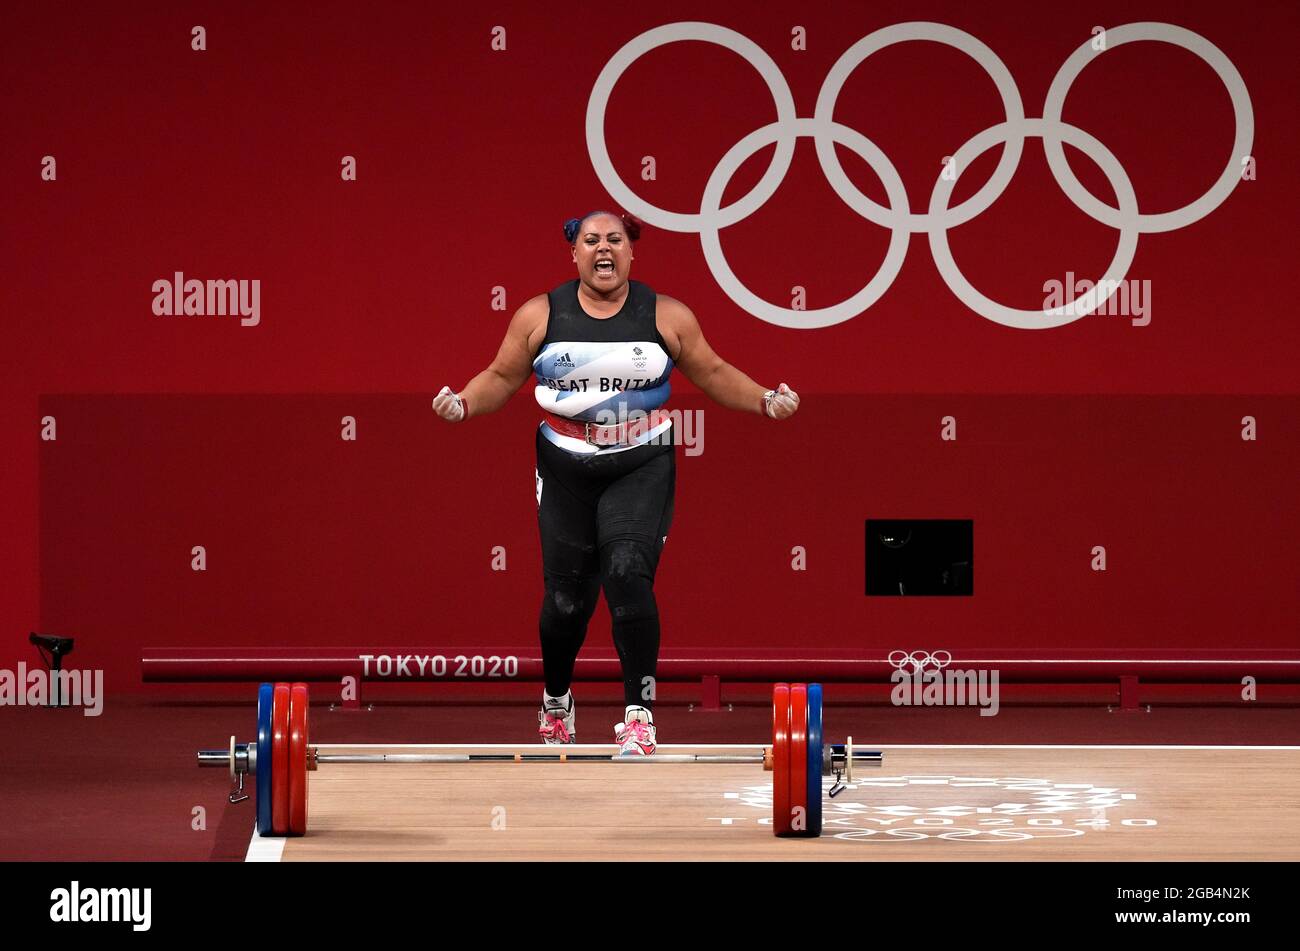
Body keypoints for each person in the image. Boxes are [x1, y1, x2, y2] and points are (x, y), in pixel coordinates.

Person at [432, 210, 799, 754]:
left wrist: (767, 401)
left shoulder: (666, 315)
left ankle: (639, 716)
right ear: (574, 253)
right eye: (591, 241)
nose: (604, 250)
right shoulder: (539, 314)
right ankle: (557, 698)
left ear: (631, 252)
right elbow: (501, 377)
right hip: (563, 463)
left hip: (641, 459)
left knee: (628, 573)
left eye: (615, 241)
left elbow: (715, 372)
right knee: (565, 602)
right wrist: (463, 403)